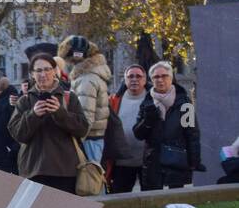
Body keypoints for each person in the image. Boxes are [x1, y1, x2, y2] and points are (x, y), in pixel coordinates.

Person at [7, 52, 89, 192]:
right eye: (38, 70)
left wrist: (60, 112)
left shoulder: (69, 98)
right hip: (34, 171)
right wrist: (33, 115)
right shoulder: (24, 101)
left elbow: (82, 129)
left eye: (47, 69)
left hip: (65, 170)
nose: (43, 74)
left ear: (54, 71)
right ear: (32, 74)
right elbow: (17, 134)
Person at [133, 61, 203, 190]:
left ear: (171, 78)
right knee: (153, 203)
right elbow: (138, 134)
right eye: (156, 77)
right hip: (153, 160)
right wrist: (148, 121)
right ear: (151, 80)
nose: (160, 80)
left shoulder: (184, 103)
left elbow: (192, 133)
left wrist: (194, 161)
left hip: (176, 159)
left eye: (164, 76)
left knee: (176, 202)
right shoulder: (147, 103)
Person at [58, 35, 111, 164]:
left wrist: (75, 142)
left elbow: (86, 116)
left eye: (68, 59)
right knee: (93, 177)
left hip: (88, 139)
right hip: (93, 137)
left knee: (89, 179)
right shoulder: (91, 74)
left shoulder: (86, 79)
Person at [107, 64, 148, 193]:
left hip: (147, 163)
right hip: (121, 163)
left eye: (138, 76)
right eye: (130, 76)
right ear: (125, 80)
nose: (134, 79)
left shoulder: (154, 98)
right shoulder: (113, 100)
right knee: (119, 201)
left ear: (145, 79)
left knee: (151, 201)